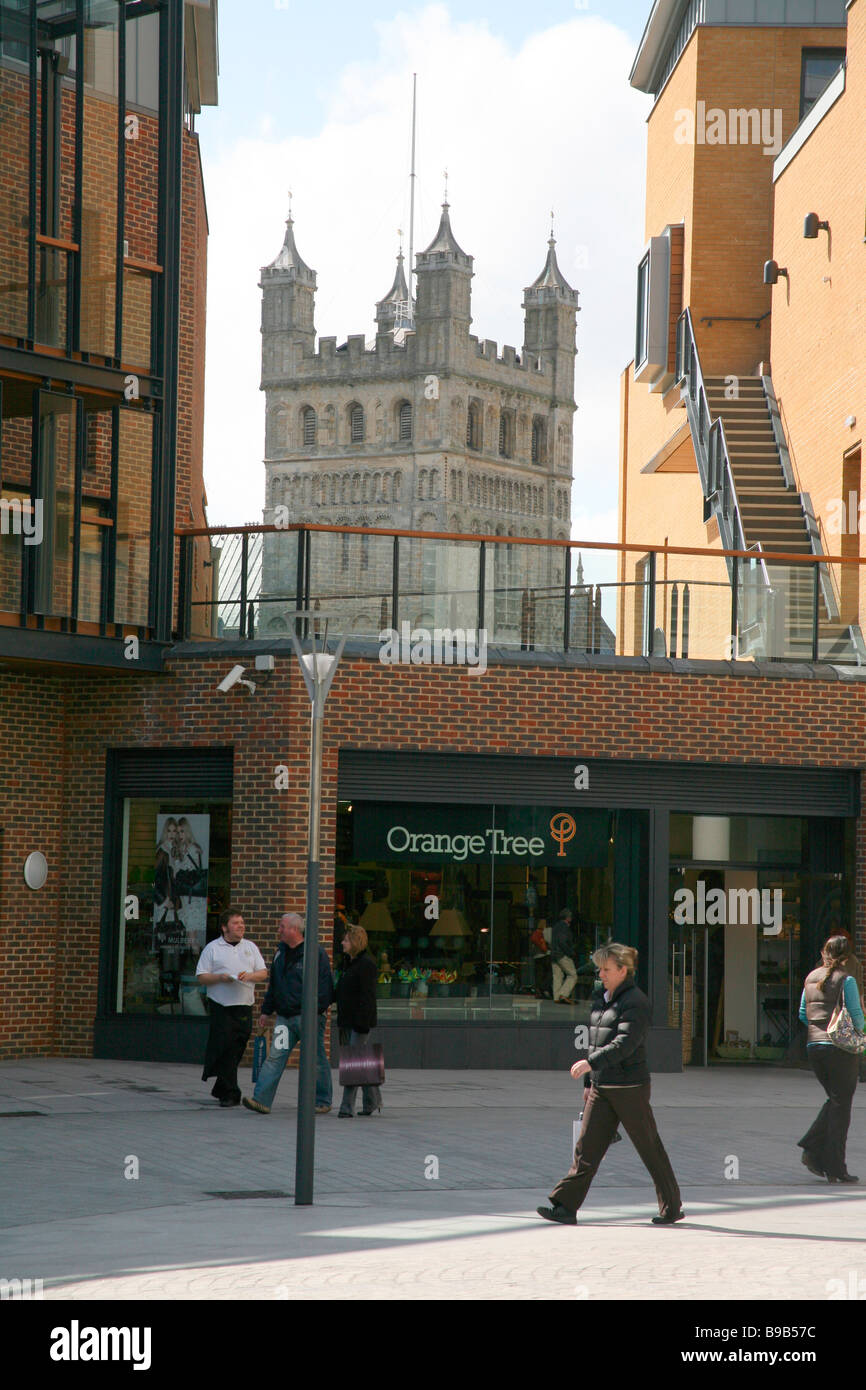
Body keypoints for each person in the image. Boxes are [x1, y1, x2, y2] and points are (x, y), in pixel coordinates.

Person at [537, 941, 683, 1226]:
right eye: (599, 969)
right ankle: (565, 1206)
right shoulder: (601, 998)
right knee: (586, 1149)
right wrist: (590, 1082)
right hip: (603, 1086)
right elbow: (595, 1041)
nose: (600, 974)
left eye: (606, 969)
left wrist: (591, 1065)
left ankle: (672, 1206)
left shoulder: (636, 1002)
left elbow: (625, 1043)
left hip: (630, 1087)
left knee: (649, 1147)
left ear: (623, 970)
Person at [243, 912, 334, 1116]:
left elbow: (325, 987)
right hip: (285, 1017)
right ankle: (261, 1100)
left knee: (316, 1058)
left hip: (307, 1018)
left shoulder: (315, 953)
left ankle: (323, 1100)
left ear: (294, 929)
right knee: (275, 1056)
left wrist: (315, 1011)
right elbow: (274, 985)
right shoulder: (280, 953)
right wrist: (266, 1011)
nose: (279, 930)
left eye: (282, 927)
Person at [797, 934, 863, 1183]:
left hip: (814, 1047)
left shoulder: (810, 978)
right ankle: (833, 1165)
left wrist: (819, 1028)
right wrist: (862, 1033)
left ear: (825, 952)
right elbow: (856, 1015)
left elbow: (803, 1014)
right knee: (841, 1106)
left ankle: (815, 1153)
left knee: (836, 1101)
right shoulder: (847, 980)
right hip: (840, 1048)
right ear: (846, 957)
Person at [197, 908, 268, 1107]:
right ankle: (230, 1092)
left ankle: (221, 1086)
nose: (241, 926)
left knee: (239, 1044)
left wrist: (250, 976)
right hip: (221, 1005)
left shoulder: (250, 947)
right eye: (236, 923)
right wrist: (220, 978)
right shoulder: (213, 948)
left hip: (244, 1004)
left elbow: (262, 973)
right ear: (224, 927)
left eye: (242, 923)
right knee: (226, 1046)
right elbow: (202, 976)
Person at [336, 923, 381, 1118]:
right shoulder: (348, 963)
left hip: (359, 1022)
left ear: (354, 942)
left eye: (345, 940)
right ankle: (372, 1101)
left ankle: (347, 1107)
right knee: (360, 1062)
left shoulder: (366, 965)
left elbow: (367, 997)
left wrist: (362, 1022)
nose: (342, 943)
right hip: (347, 1020)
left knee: (352, 1063)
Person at [551, 908, 577, 1005]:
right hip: (562, 954)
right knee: (573, 975)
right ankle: (564, 994)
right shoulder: (564, 927)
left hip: (553, 954)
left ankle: (556, 997)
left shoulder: (556, 926)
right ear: (568, 918)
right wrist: (570, 952)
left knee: (557, 976)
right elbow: (562, 941)